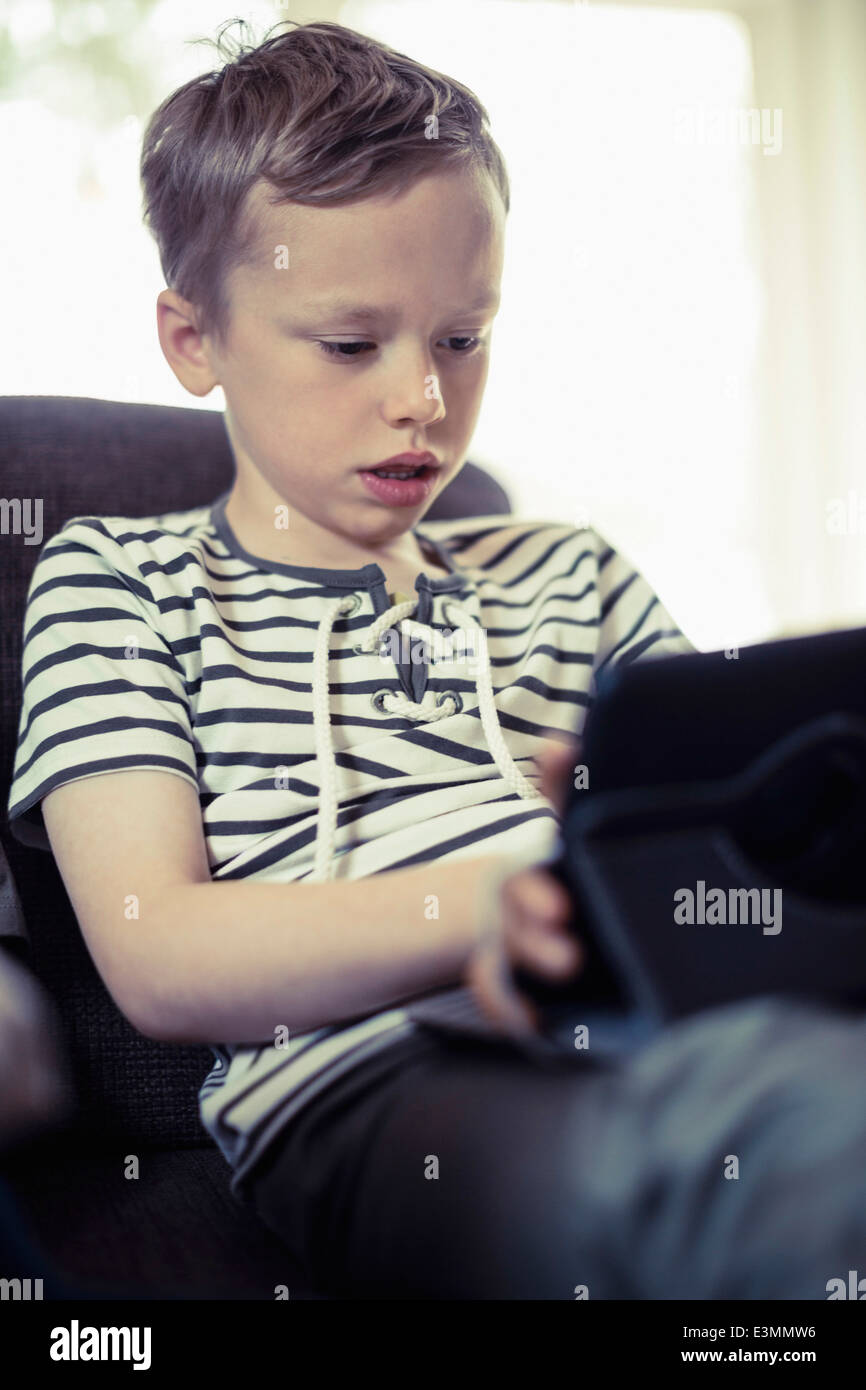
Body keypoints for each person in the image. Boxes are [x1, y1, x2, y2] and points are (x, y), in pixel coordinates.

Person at [6, 19, 866, 1300]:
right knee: (795, 1140)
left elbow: (732, 847)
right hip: (383, 1085)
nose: (421, 397)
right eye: (350, 344)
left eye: (461, 337)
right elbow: (159, 952)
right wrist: (496, 896)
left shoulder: (569, 572)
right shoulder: (116, 583)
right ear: (194, 339)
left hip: (689, 1014)